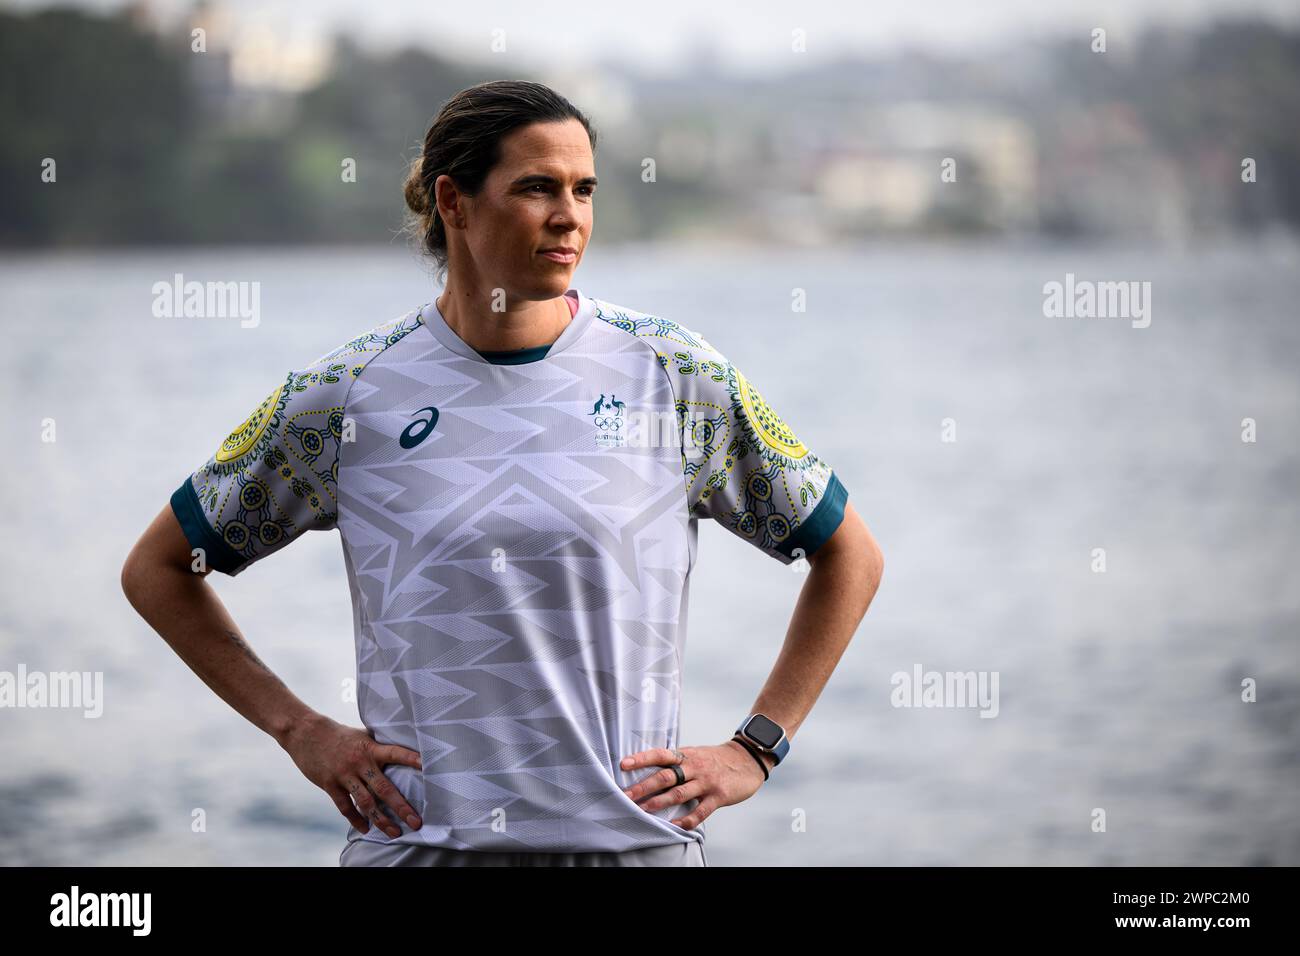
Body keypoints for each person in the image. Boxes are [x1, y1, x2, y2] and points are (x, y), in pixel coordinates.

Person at [120, 80, 885, 867]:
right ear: (453, 202)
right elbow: (160, 569)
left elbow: (848, 554)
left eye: (584, 190)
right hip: (419, 852)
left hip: (631, 849)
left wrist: (755, 747)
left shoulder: (675, 377)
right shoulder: (344, 395)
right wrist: (299, 729)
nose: (570, 216)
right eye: (537, 188)